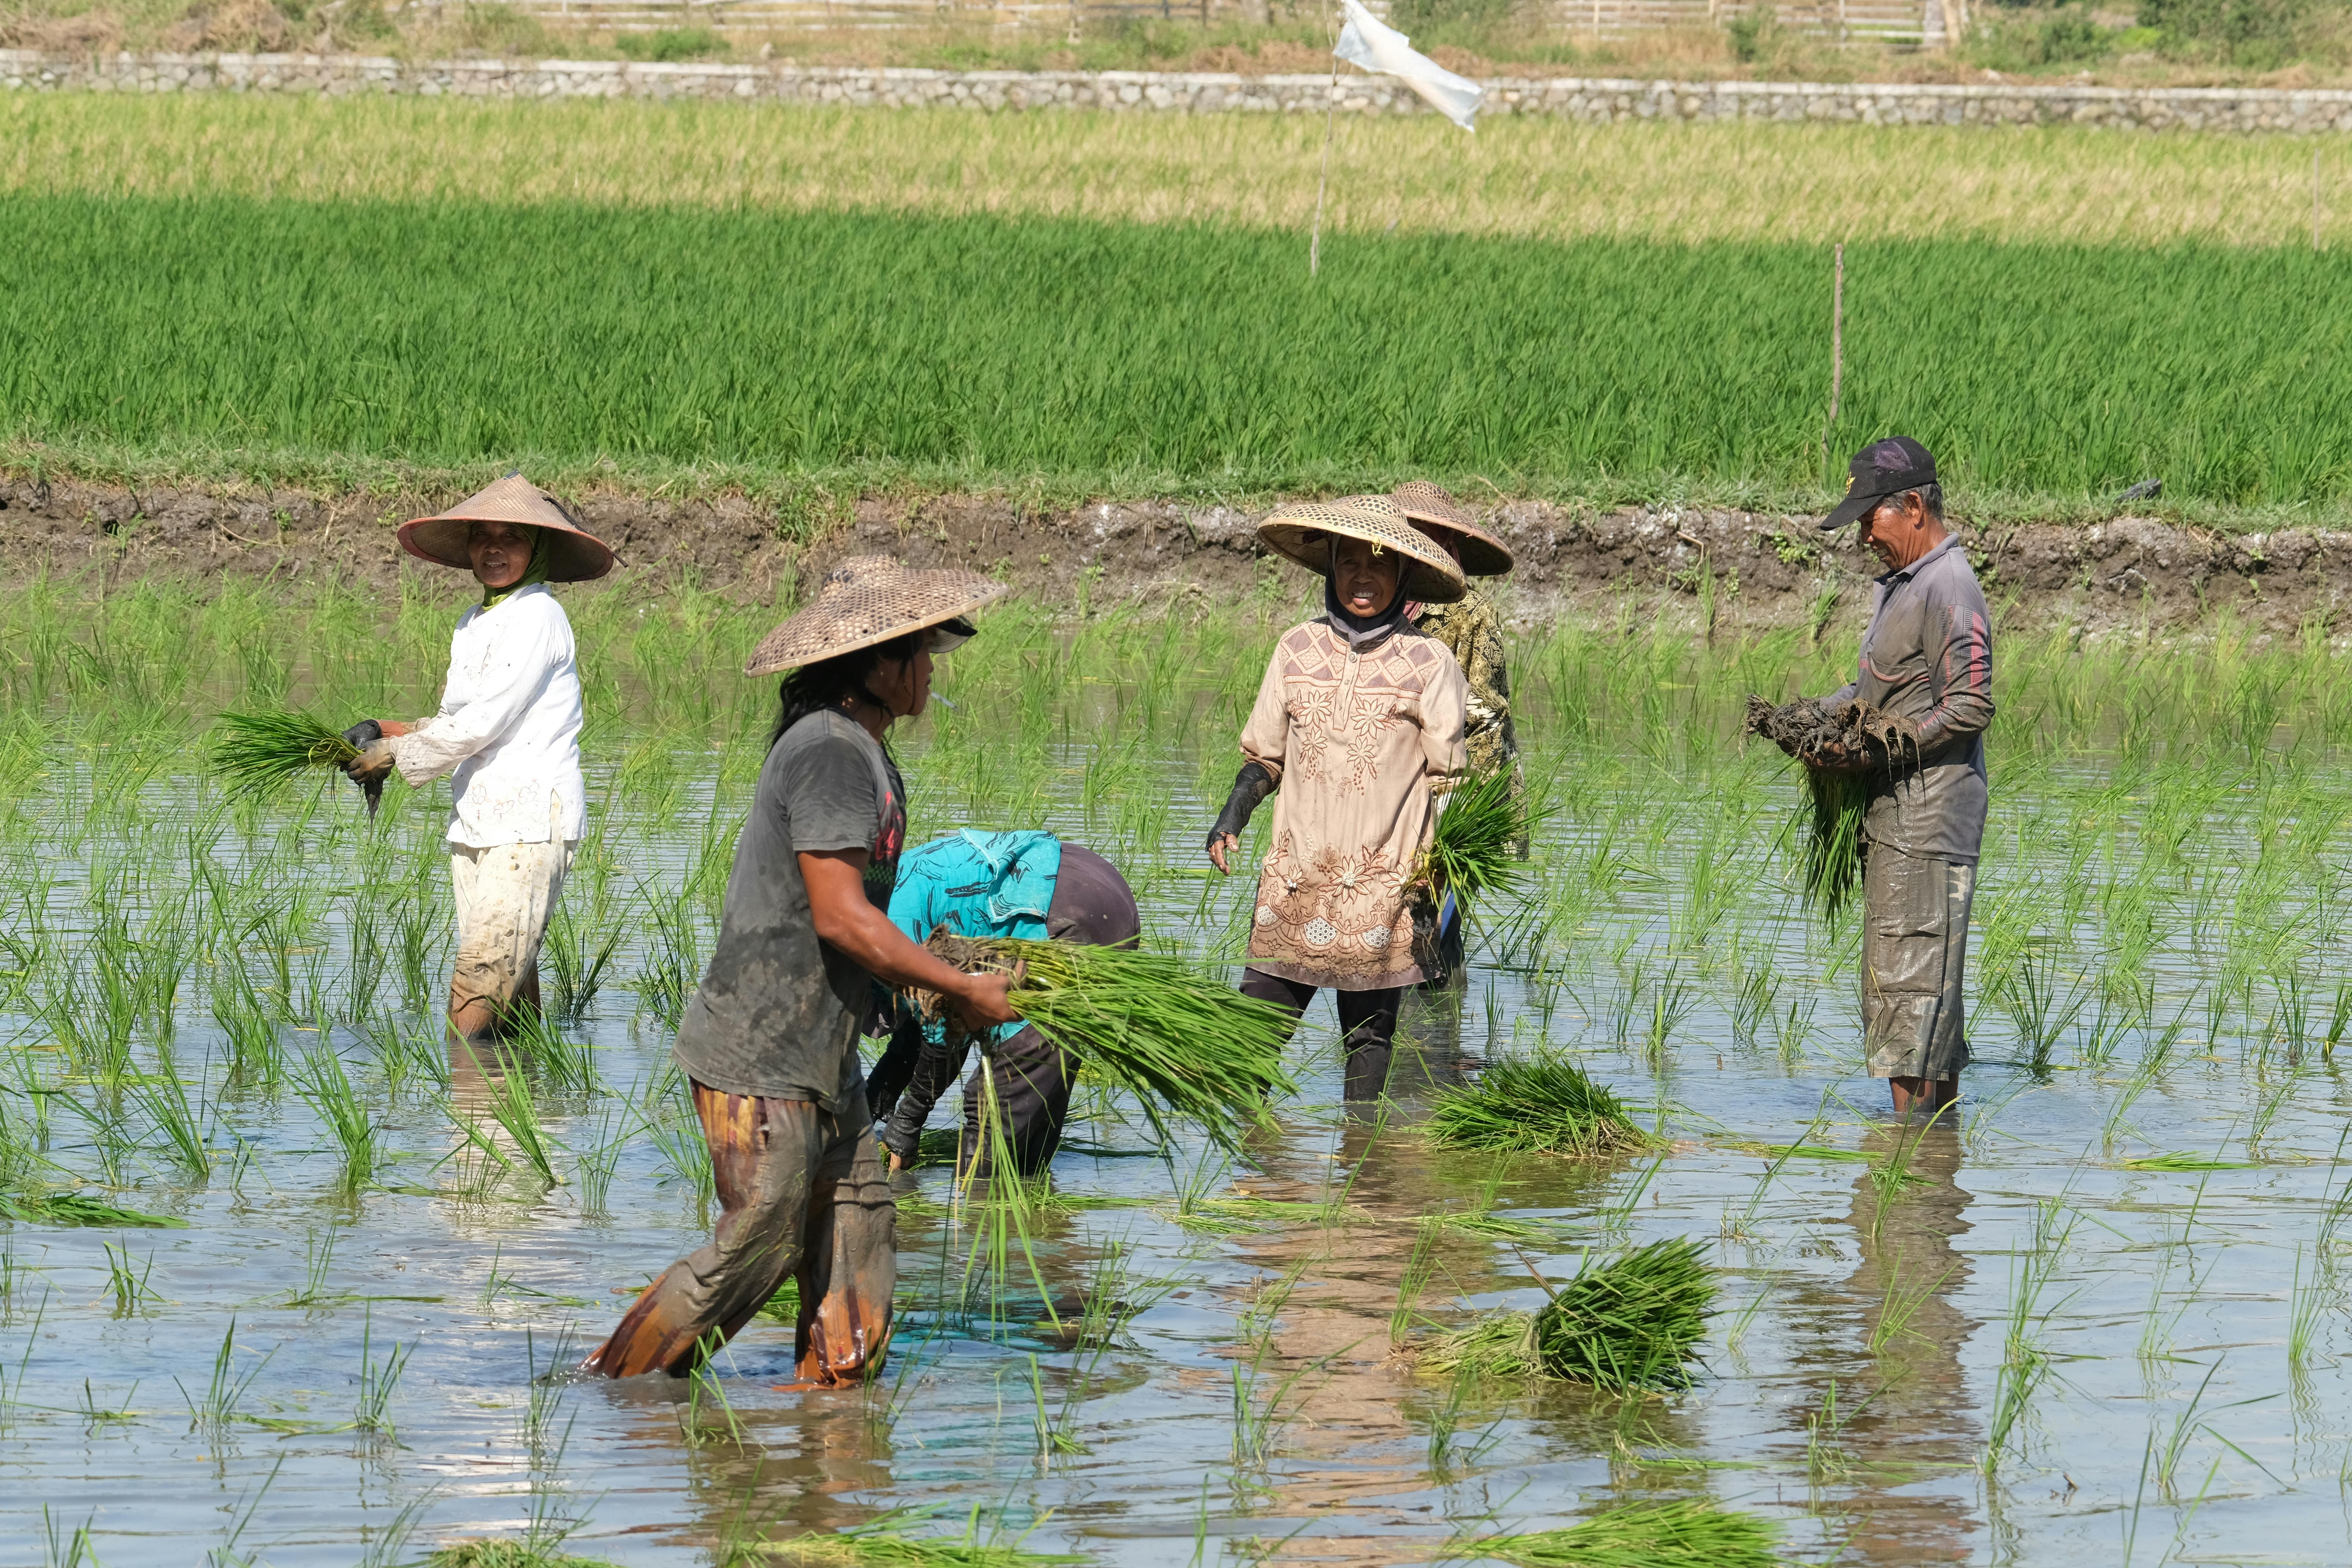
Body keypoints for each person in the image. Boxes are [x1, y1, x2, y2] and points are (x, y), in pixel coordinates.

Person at [585, 556, 1020, 1383]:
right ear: (878, 663)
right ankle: (614, 1392)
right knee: (763, 1242)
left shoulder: (862, 750)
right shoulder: (830, 752)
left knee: (860, 1227)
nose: (931, 670)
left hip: (818, 1054)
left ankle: (834, 1427)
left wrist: (928, 976)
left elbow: (851, 919)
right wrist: (961, 986)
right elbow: (839, 914)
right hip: (761, 1051)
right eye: (923, 652)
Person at [1206, 495, 1468, 1103]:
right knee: (1252, 1043)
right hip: (1296, 880)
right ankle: (1250, 1174)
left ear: (1402, 578)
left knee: (1369, 1046)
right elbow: (1264, 756)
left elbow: (1451, 778)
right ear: (1330, 571)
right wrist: (1231, 819)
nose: (1363, 578)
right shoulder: (1296, 648)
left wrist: (1438, 876)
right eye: (1349, 562)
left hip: (1382, 887)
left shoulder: (1430, 662)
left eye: (1379, 566)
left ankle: (1361, 1175)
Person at [343, 473, 609, 1047]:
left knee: (476, 993)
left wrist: (395, 752)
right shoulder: (476, 621)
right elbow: (456, 719)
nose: (494, 549)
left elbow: (484, 723)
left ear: (536, 549)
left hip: (528, 824)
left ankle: (468, 1119)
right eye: (482, 537)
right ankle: (532, 1112)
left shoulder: (539, 616)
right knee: (510, 997)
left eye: (510, 537)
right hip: (483, 823)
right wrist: (383, 730)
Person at [1779, 438, 1992, 1120]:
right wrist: (1814, 716)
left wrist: (1880, 755)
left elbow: (1971, 703)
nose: (1864, 534)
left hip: (1925, 826)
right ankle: (1936, 1164)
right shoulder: (1908, 586)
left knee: (1906, 995)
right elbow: (1884, 690)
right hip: (1901, 822)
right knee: (1922, 1003)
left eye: (1872, 517)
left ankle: (1903, 1172)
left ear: (1912, 506)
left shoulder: (1948, 586)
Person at [864, 832, 1141, 1179]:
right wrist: (870, 1103)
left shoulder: (880, 938)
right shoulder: (870, 891)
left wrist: (906, 1124)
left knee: (997, 1100)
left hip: (1058, 914)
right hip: (1086, 876)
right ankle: (1035, 1220)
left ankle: (978, 1215)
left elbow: (942, 1034)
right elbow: (919, 1030)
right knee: (1037, 1099)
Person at [1392, 480, 1523, 987]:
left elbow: (1489, 713)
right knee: (1398, 915)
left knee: (1435, 920)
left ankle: (1440, 1034)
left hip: (1461, 785)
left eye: (1439, 540)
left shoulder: (1469, 612)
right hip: (1400, 785)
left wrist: (1460, 820)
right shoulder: (1376, 598)